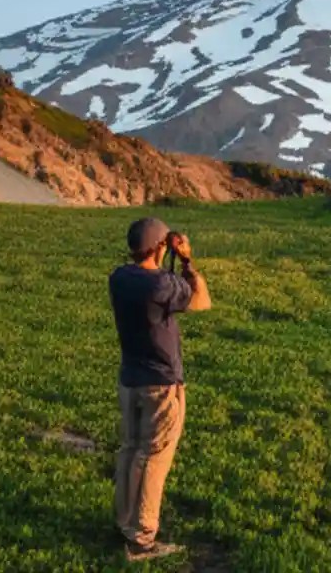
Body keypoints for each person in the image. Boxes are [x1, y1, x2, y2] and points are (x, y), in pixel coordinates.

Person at [109, 217, 211, 562]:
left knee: (131, 450)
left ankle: (124, 521)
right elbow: (200, 301)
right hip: (162, 384)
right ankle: (142, 538)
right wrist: (186, 260)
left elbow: (152, 276)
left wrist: (167, 255)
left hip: (130, 380)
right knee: (154, 457)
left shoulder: (119, 278)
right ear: (159, 246)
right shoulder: (164, 286)